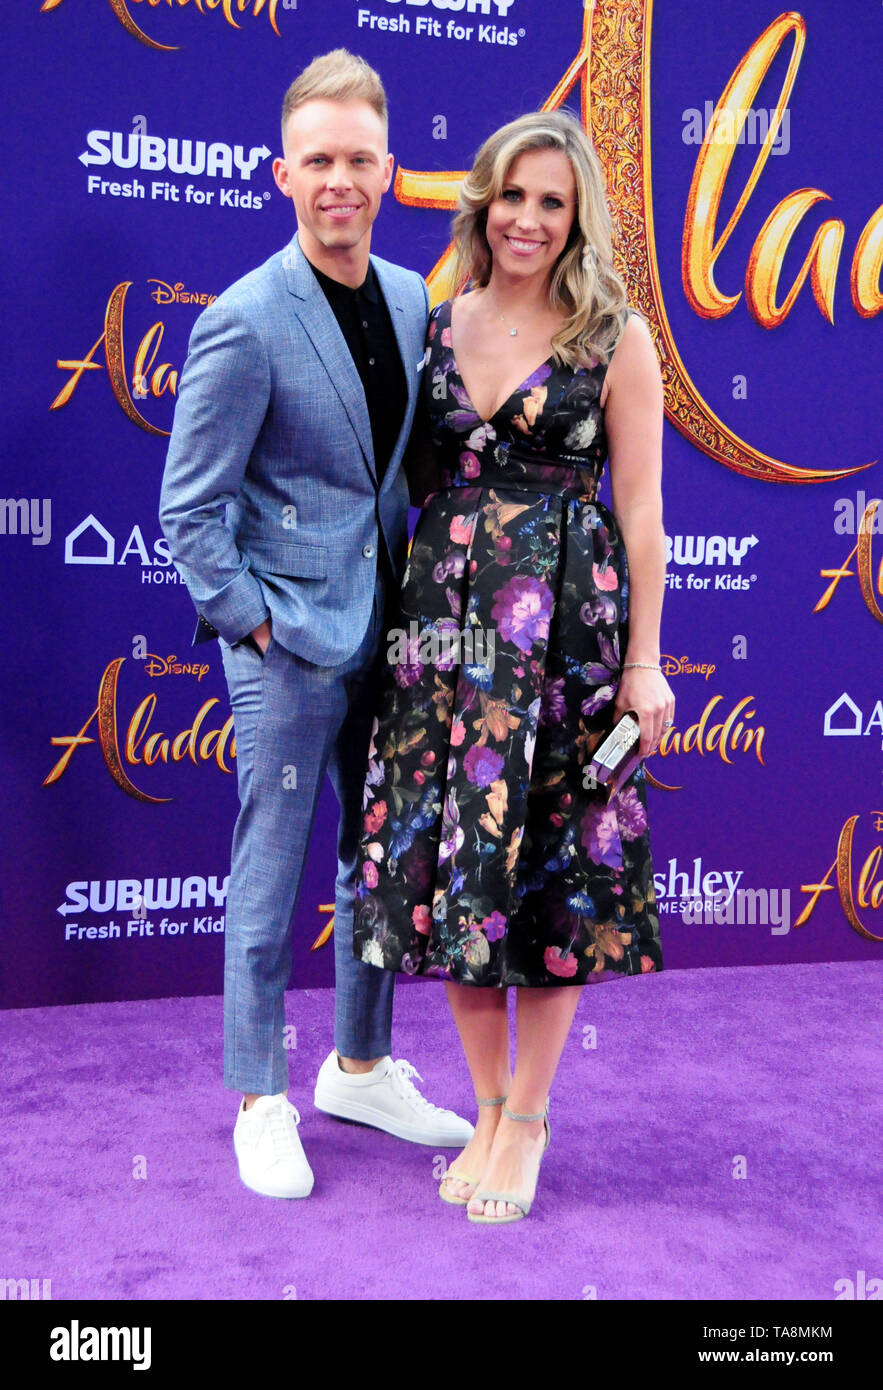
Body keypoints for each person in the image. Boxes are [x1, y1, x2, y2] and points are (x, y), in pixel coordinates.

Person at [159, 49, 472, 1201]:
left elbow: (391, 472)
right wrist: (253, 626)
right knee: (272, 867)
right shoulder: (244, 319)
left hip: (390, 632)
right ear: (280, 172)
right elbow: (189, 510)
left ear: (388, 168)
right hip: (287, 642)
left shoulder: (407, 295)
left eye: (358, 159)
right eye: (317, 160)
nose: (339, 179)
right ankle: (258, 1093)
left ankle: (360, 1062)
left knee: (376, 859)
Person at [353, 110, 673, 1223]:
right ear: (482, 202)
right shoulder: (437, 328)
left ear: (577, 213)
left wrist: (645, 663)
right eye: (512, 196)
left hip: (566, 645)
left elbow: (639, 509)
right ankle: (484, 1105)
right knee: (449, 872)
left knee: (548, 878)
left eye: (552, 200)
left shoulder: (614, 335)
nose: (528, 218)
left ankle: (528, 1121)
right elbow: (406, 486)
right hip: (439, 640)